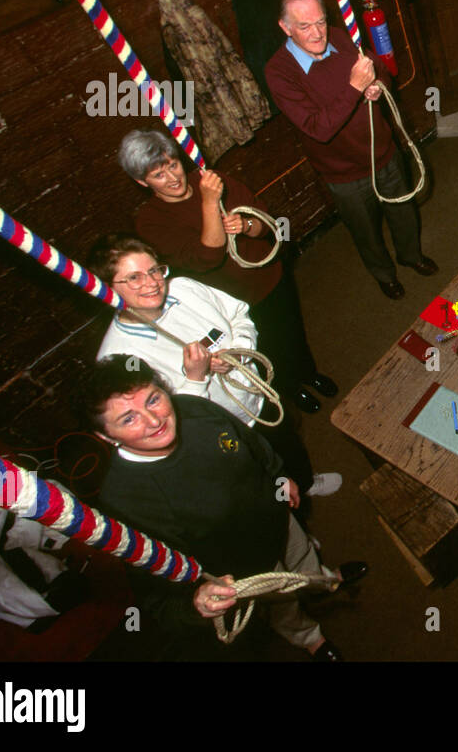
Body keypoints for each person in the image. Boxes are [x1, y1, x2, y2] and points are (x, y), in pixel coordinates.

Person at [78, 358, 367, 660]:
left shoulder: (192, 410)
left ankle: (324, 583)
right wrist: (195, 604)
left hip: (277, 515)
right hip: (248, 567)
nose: (154, 420)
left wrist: (279, 475)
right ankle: (310, 638)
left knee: (304, 555)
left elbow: (247, 442)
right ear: (106, 436)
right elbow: (156, 597)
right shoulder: (124, 502)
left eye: (153, 399)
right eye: (128, 419)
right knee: (283, 605)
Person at [89, 233, 339, 499]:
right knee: (258, 482)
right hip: (220, 433)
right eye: (134, 277)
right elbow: (158, 423)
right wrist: (196, 377)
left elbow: (238, 314)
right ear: (107, 288)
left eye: (154, 270)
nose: (152, 283)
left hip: (255, 398)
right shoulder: (119, 358)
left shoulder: (183, 288)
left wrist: (237, 353)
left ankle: (305, 482)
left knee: (286, 444)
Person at [118, 128, 336, 415]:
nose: (173, 178)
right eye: (159, 175)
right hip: (232, 300)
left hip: (268, 276)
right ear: (141, 181)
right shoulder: (151, 221)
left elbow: (269, 223)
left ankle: (308, 372)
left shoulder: (210, 179)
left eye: (173, 164)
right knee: (263, 347)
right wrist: (209, 202)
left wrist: (247, 225)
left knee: (291, 331)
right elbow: (207, 257)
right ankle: (289, 388)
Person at [265, 0, 436, 300]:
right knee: (366, 231)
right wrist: (355, 88)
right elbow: (318, 128)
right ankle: (384, 275)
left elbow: (382, 72)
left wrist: (376, 85)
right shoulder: (279, 72)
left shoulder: (340, 37)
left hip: (384, 152)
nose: (318, 34)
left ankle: (411, 255)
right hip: (343, 173)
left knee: (403, 212)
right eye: (305, 27)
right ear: (285, 28)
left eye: (320, 21)